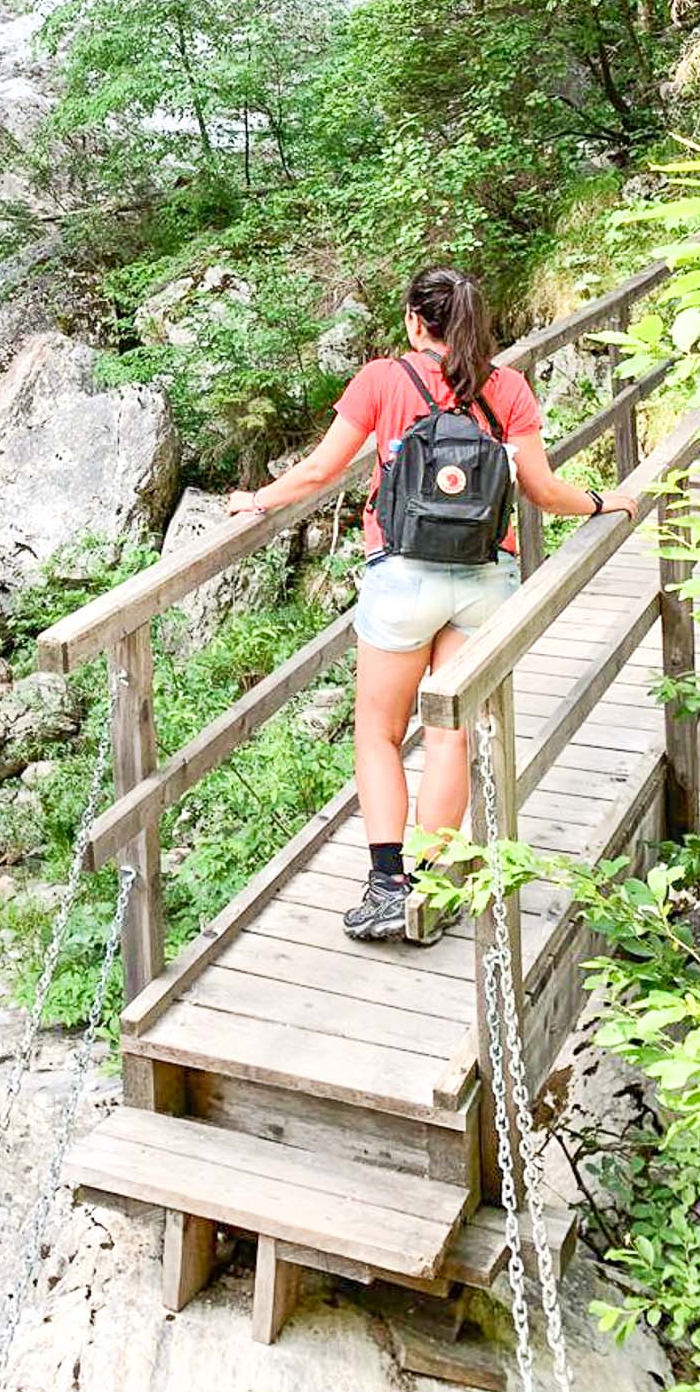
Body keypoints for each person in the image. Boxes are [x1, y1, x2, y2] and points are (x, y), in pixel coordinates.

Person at [227, 266, 639, 942]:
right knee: (450, 733)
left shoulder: (382, 380)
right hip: (482, 575)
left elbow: (317, 470)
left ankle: (386, 880)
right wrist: (602, 501)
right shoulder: (505, 388)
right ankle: (433, 880)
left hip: (400, 576)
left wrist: (256, 501)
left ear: (415, 321)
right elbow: (539, 488)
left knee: (378, 731)